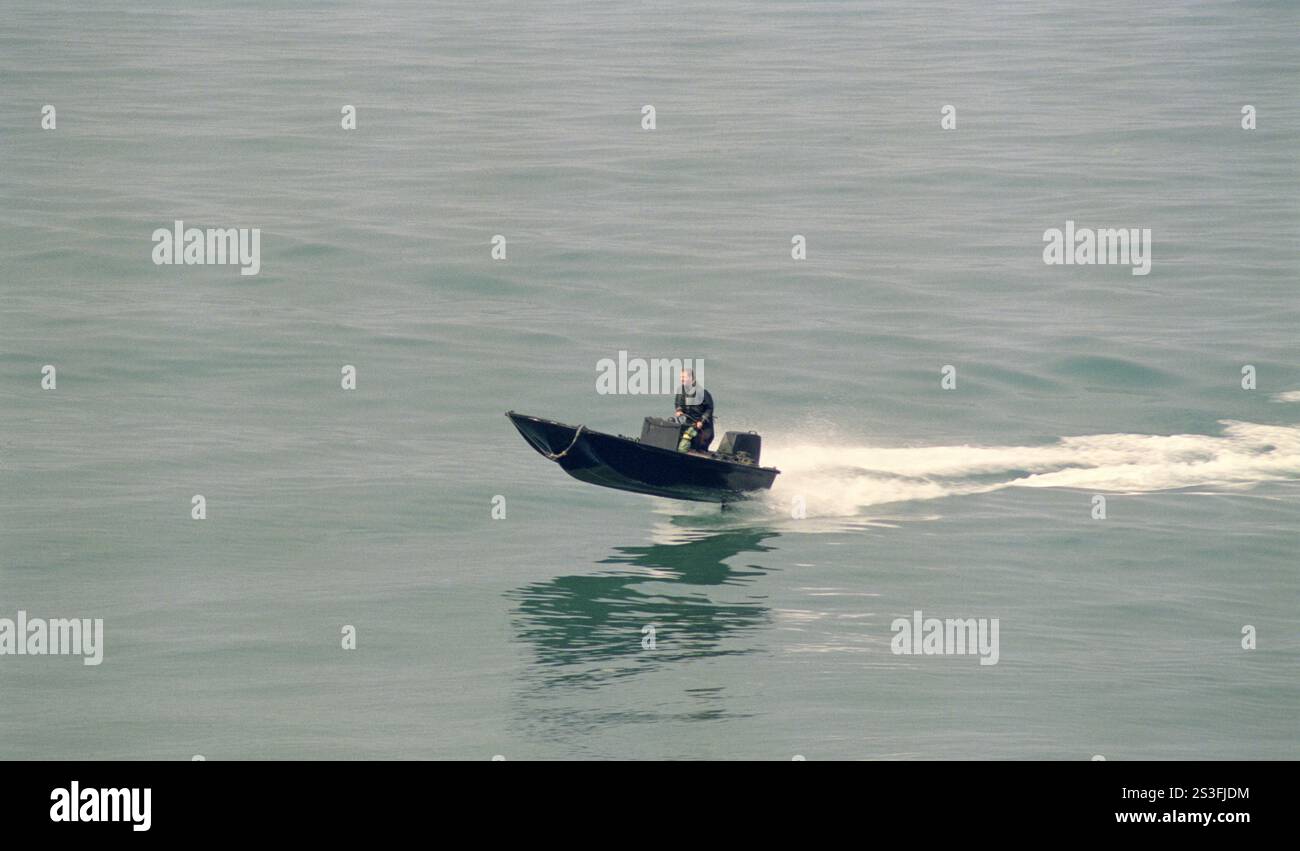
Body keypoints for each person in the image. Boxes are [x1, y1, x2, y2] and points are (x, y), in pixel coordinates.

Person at [673, 368, 714, 452]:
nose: (681, 379)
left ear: (691, 378)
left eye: (684, 377)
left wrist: (701, 421)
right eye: (681, 377)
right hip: (689, 424)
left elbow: (709, 408)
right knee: (681, 445)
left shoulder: (702, 392)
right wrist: (679, 410)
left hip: (704, 428)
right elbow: (678, 403)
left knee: (699, 448)